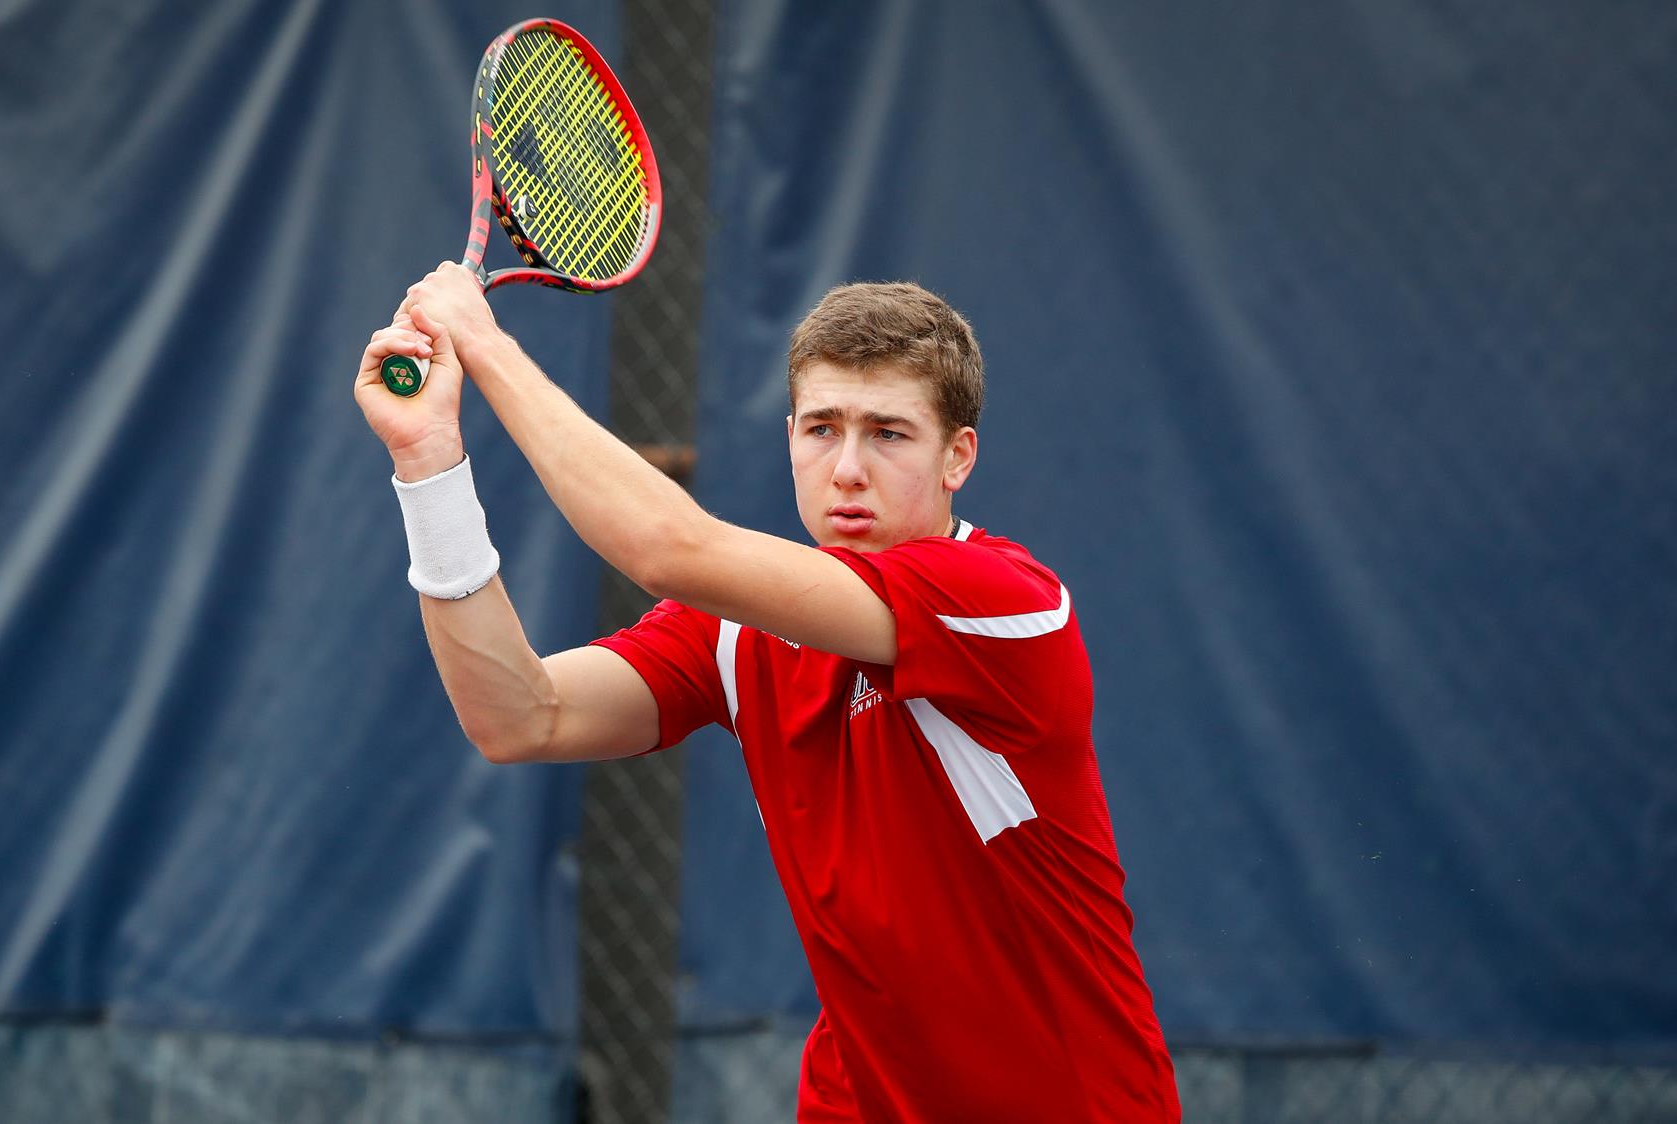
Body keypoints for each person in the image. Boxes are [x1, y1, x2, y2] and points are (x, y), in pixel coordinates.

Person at [353, 268, 1180, 1123]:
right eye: (822, 428)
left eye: (889, 433)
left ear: (956, 457)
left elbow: (669, 549)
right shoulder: (734, 636)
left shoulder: (1005, 604)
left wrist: (483, 346)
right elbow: (519, 715)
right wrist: (429, 466)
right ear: (789, 437)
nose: (848, 468)